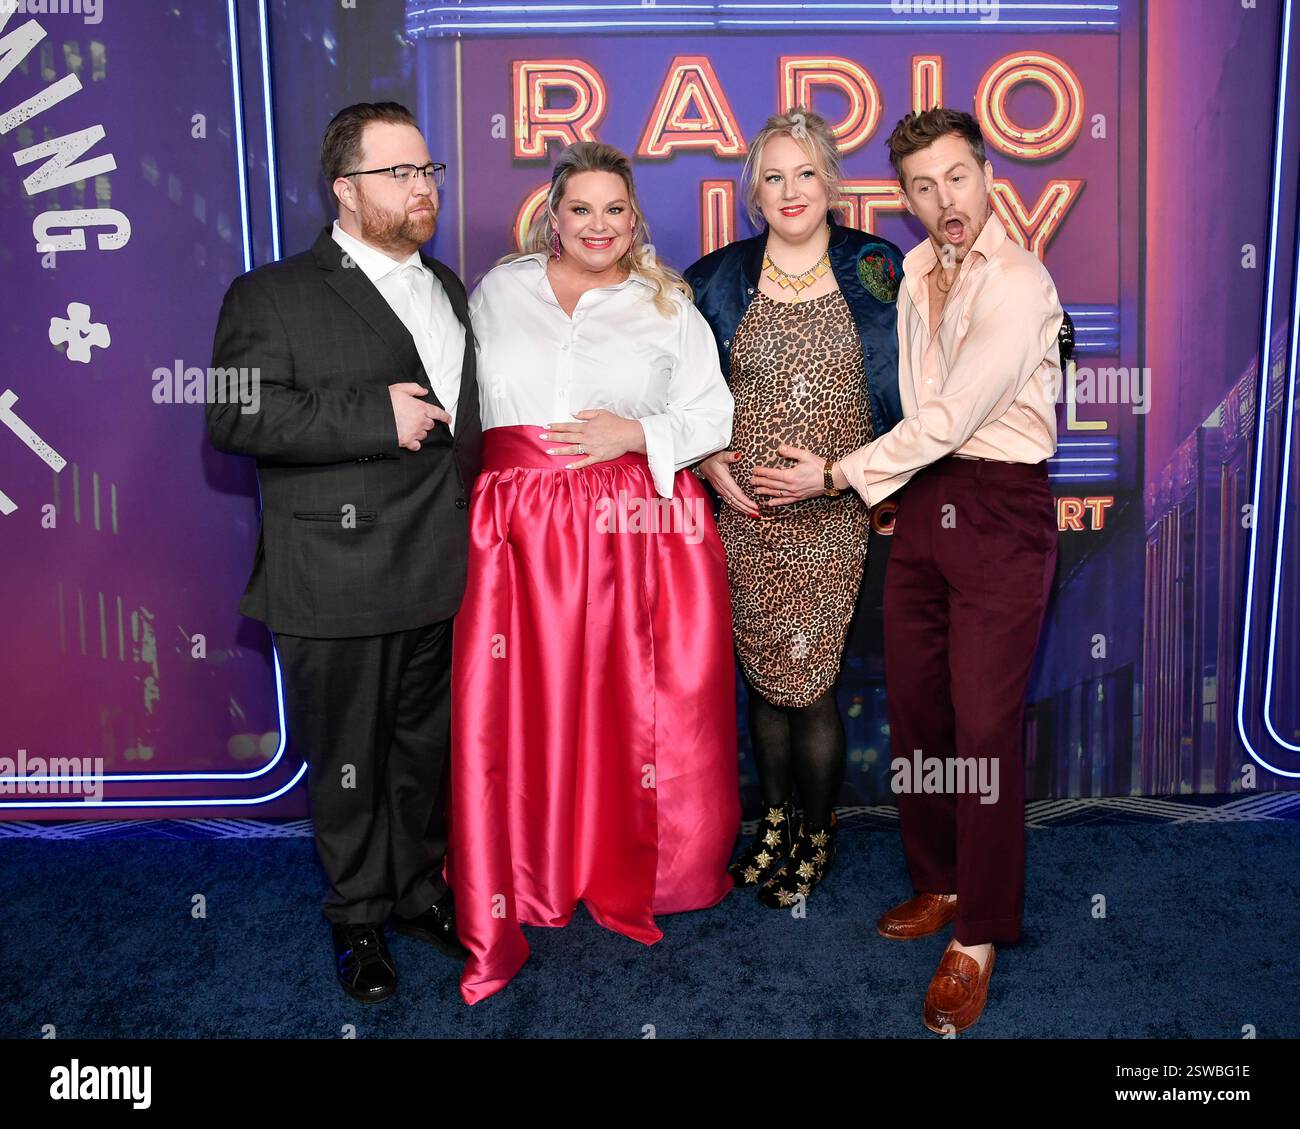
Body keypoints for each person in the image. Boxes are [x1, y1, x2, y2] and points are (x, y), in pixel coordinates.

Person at [750, 107, 1064, 1034]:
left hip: (1000, 507)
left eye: (957, 178)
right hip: (923, 503)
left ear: (986, 172)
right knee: (920, 708)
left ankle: (982, 932)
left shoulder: (1017, 281)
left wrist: (837, 471)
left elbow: (956, 413)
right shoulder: (918, 267)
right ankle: (940, 881)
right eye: (923, 186)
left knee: (984, 726)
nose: (943, 201)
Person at [448, 141, 739, 1004]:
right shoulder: (498, 291)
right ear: (553, 212)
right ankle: (527, 868)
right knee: (520, 702)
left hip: (630, 526)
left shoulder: (666, 303)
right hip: (516, 528)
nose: (599, 225)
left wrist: (637, 436)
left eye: (616, 210)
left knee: (626, 701)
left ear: (634, 218)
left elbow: (711, 408)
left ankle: (630, 863)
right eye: (582, 209)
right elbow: (462, 394)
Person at [207, 102, 481, 1003]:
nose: (421, 188)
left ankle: (415, 893)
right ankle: (358, 918)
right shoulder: (269, 293)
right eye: (399, 173)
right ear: (345, 190)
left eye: (427, 172)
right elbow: (234, 414)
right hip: (334, 578)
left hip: (437, 573)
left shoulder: (445, 282)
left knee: (418, 756)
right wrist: (374, 418)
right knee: (350, 763)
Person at [684, 109, 905, 908]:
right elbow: (678, 388)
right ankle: (771, 823)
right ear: (754, 193)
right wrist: (708, 462)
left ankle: (818, 830)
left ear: (833, 183)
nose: (790, 190)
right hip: (744, 513)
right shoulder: (714, 277)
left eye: (805, 172)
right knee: (761, 679)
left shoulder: (879, 267)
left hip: (831, 514)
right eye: (772, 176)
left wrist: (841, 477)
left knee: (809, 684)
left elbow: (923, 376)